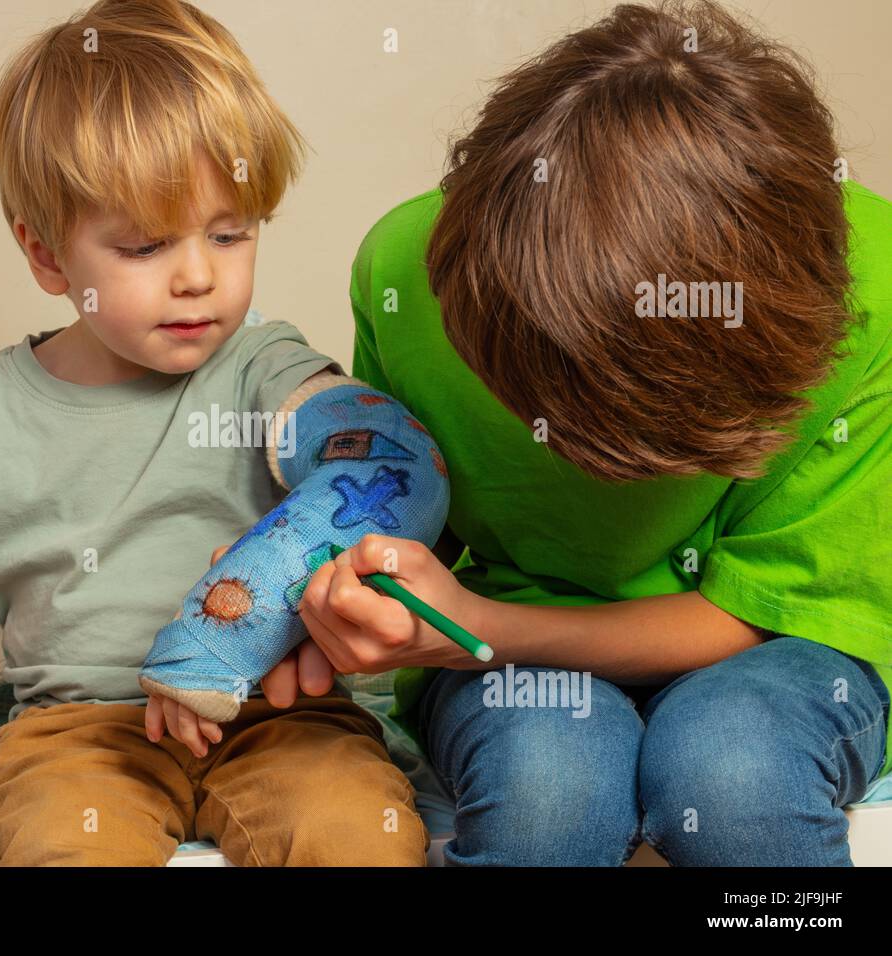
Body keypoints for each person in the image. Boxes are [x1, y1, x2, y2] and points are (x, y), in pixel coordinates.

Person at [0, 0, 431, 866]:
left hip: (282, 716)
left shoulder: (265, 365)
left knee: (359, 839)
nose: (199, 276)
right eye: (147, 247)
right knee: (55, 849)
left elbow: (371, 456)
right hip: (81, 730)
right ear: (46, 254)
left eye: (230, 233)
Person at [294, 0, 892, 866]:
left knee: (734, 774)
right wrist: (333, 590)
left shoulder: (869, 281)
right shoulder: (406, 270)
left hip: (785, 648)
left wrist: (480, 626)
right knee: (549, 793)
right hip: (498, 642)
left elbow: (770, 609)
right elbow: (390, 514)